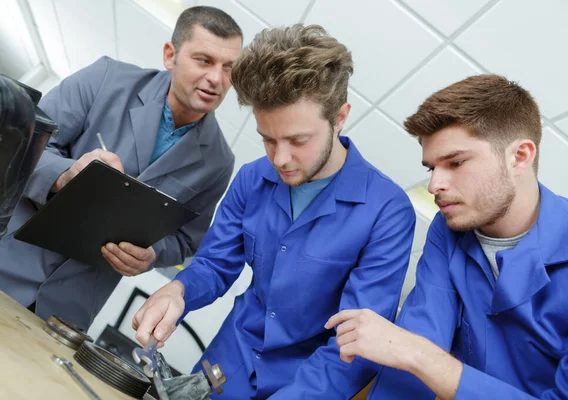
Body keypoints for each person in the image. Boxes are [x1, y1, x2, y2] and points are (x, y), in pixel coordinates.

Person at [132, 24, 416, 399]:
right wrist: (178, 290)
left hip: (307, 383)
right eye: (268, 139)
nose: (280, 159)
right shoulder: (253, 179)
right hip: (224, 366)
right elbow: (215, 264)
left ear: (340, 117)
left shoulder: (388, 212)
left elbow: (355, 343)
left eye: (298, 141)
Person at [0, 6, 243, 330]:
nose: (216, 78)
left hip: (68, 309)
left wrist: (152, 255)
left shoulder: (219, 162)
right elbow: (22, 142)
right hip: (1, 265)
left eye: (228, 68)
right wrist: (66, 174)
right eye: (204, 60)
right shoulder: (106, 78)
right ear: (170, 55)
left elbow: (186, 241)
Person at [326, 74, 568, 399]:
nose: (434, 185)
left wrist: (420, 356)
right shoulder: (449, 228)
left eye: (455, 162)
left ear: (520, 156)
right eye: (431, 168)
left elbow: (415, 352)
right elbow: (421, 332)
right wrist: (414, 353)